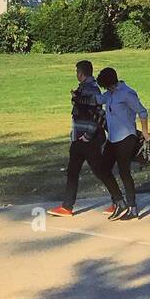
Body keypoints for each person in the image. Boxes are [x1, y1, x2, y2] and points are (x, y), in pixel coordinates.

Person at [47, 60, 125, 218]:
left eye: (77, 72)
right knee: (73, 170)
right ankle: (67, 207)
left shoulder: (91, 89)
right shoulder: (84, 88)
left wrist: (88, 135)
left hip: (89, 139)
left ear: (81, 73)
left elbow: (97, 115)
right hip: (79, 138)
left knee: (100, 170)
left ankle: (119, 201)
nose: (76, 74)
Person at [95, 66, 150, 220]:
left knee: (124, 172)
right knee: (103, 169)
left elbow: (142, 111)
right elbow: (98, 99)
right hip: (113, 139)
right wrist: (81, 95)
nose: (107, 89)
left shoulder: (126, 93)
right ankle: (119, 201)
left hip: (127, 137)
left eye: (108, 86)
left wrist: (145, 132)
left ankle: (133, 208)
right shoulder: (110, 94)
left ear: (113, 83)